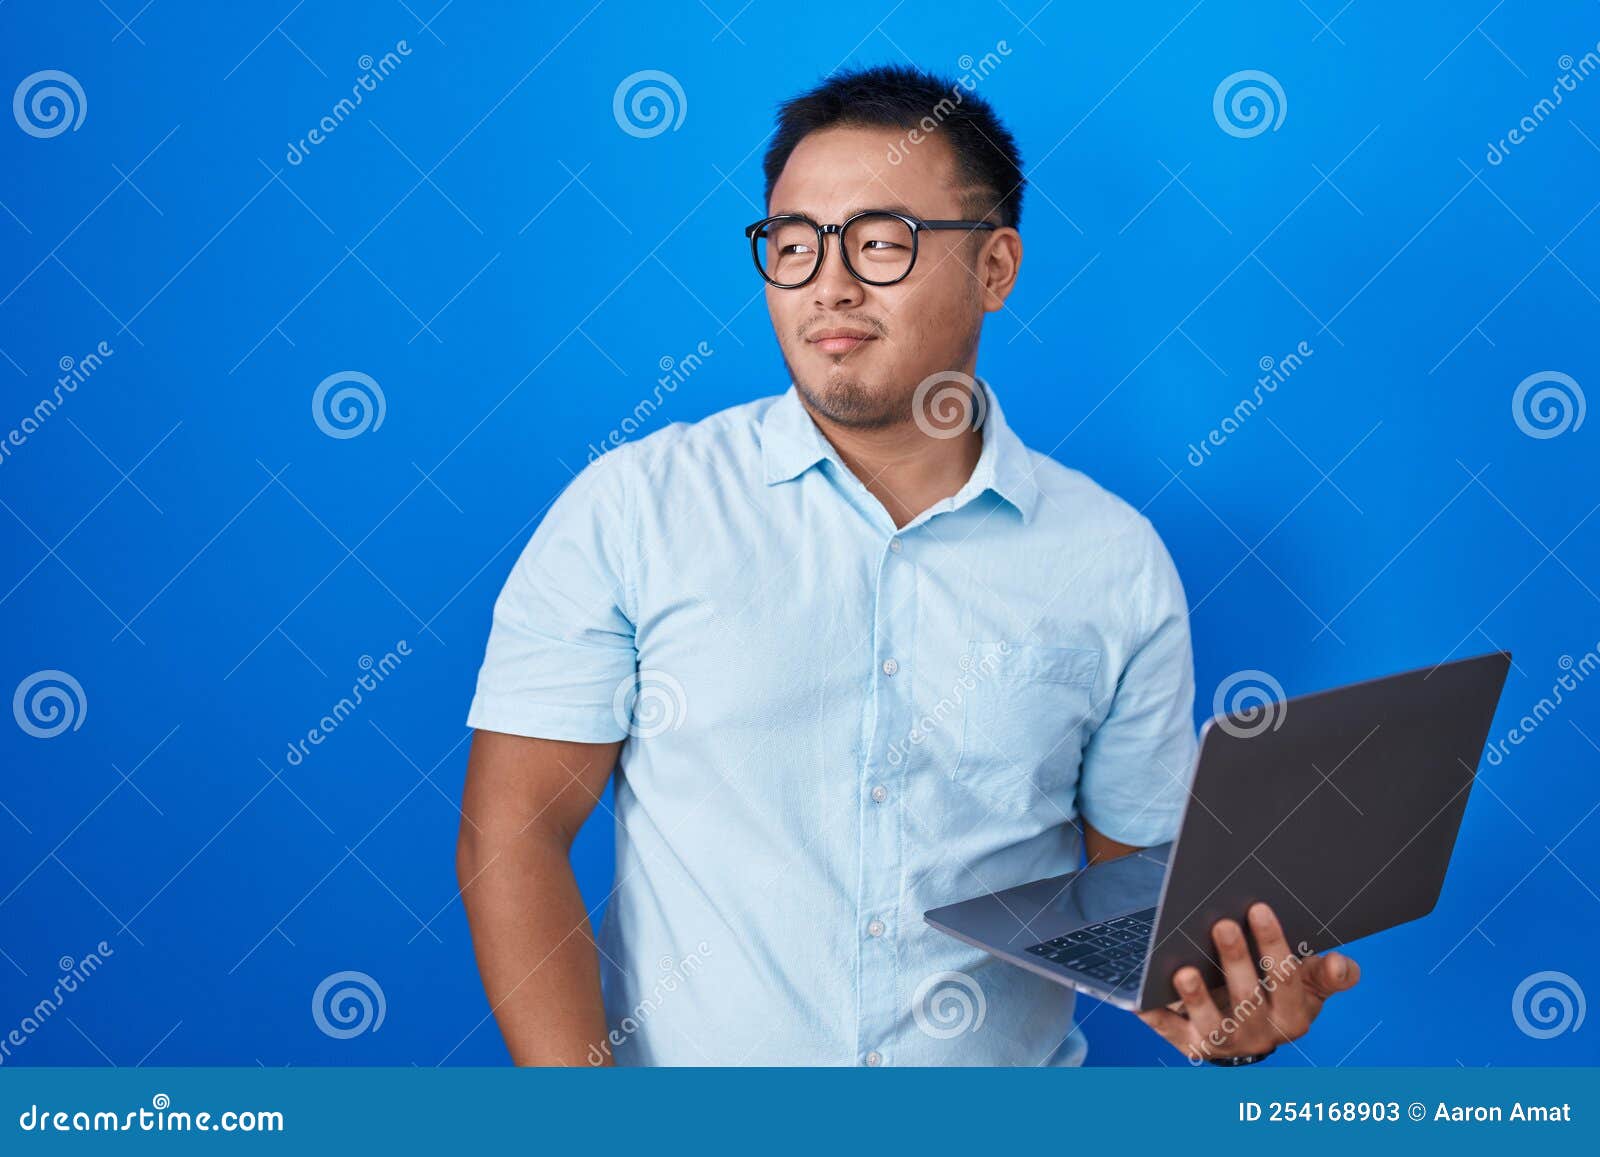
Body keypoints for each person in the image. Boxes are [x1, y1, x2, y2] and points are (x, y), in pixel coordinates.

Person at [456, 64, 1359, 1066]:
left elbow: (1140, 898)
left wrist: (1221, 1010)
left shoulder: (1112, 559)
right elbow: (513, 831)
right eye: (793, 244)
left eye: (880, 242)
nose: (828, 285)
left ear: (995, 268)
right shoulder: (635, 508)